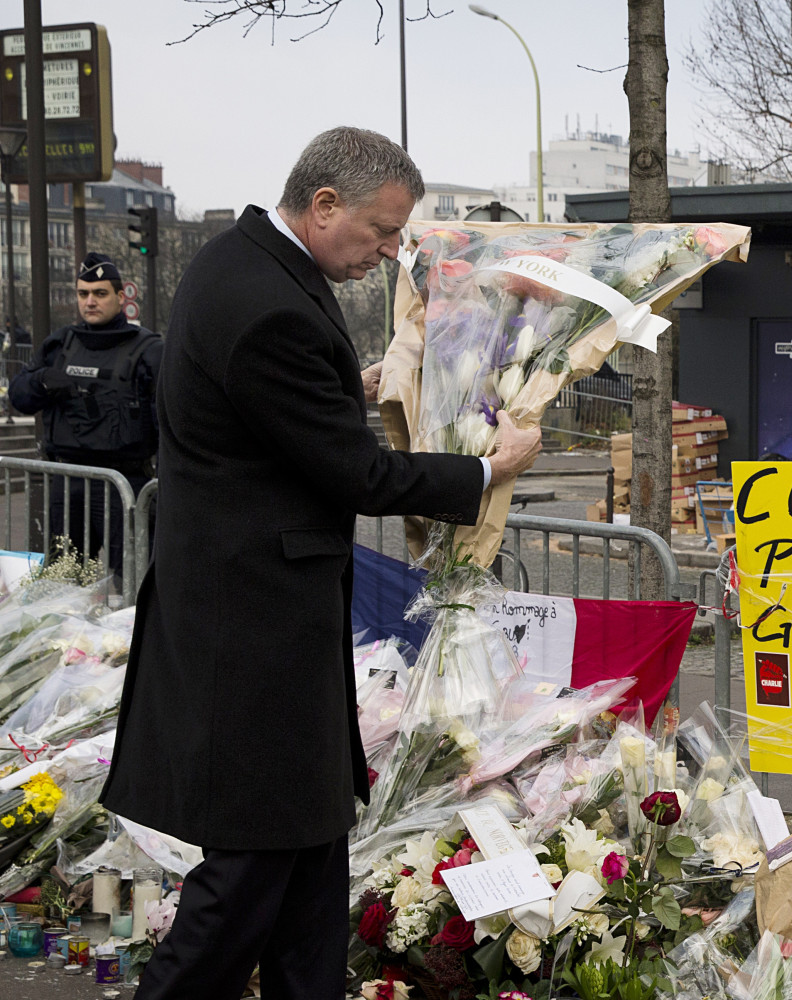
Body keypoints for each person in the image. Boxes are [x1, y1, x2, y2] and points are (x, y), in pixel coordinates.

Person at [101, 127, 543, 1000]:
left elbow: (272, 415)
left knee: (308, 863)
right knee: (248, 880)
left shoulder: (240, 264)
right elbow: (358, 472)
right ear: (325, 205)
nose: (385, 254)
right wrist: (490, 466)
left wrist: (361, 384)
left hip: (255, 617)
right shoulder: (269, 304)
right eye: (381, 233)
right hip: (253, 635)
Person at [7, 252, 162, 578]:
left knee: (133, 584)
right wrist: (42, 381)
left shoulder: (147, 349)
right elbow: (20, 397)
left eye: (100, 293)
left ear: (120, 297)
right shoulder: (60, 345)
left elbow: (167, 421)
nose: (90, 301)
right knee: (63, 585)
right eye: (83, 294)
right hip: (68, 485)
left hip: (126, 485)